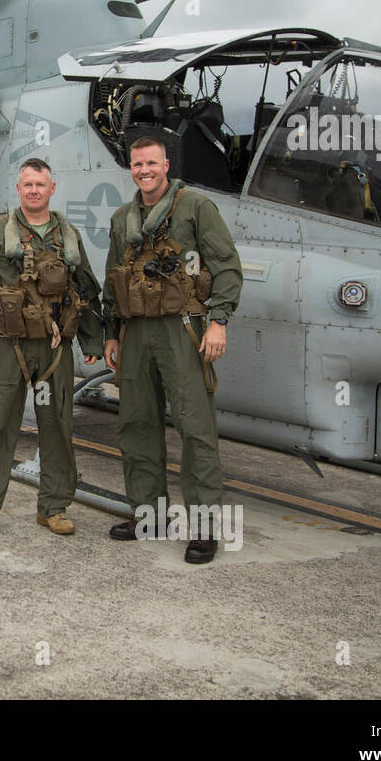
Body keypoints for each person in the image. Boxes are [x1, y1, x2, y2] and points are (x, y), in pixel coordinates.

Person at [102, 137, 242, 564]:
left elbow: (226, 265)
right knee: (137, 424)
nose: (144, 170)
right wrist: (110, 332)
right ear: (131, 168)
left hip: (183, 328)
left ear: (166, 165)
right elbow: (113, 278)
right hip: (136, 332)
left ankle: (204, 528)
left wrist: (218, 321)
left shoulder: (195, 207)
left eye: (151, 163)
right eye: (137, 163)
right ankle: (150, 515)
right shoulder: (123, 217)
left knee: (195, 429)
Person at [0, 158, 104, 537]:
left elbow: (86, 288)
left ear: (52, 189)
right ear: (19, 189)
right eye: (27, 185)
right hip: (6, 348)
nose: (34, 190)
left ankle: (53, 507)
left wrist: (92, 338)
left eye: (41, 184)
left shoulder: (67, 235)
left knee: (57, 424)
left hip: (54, 348)